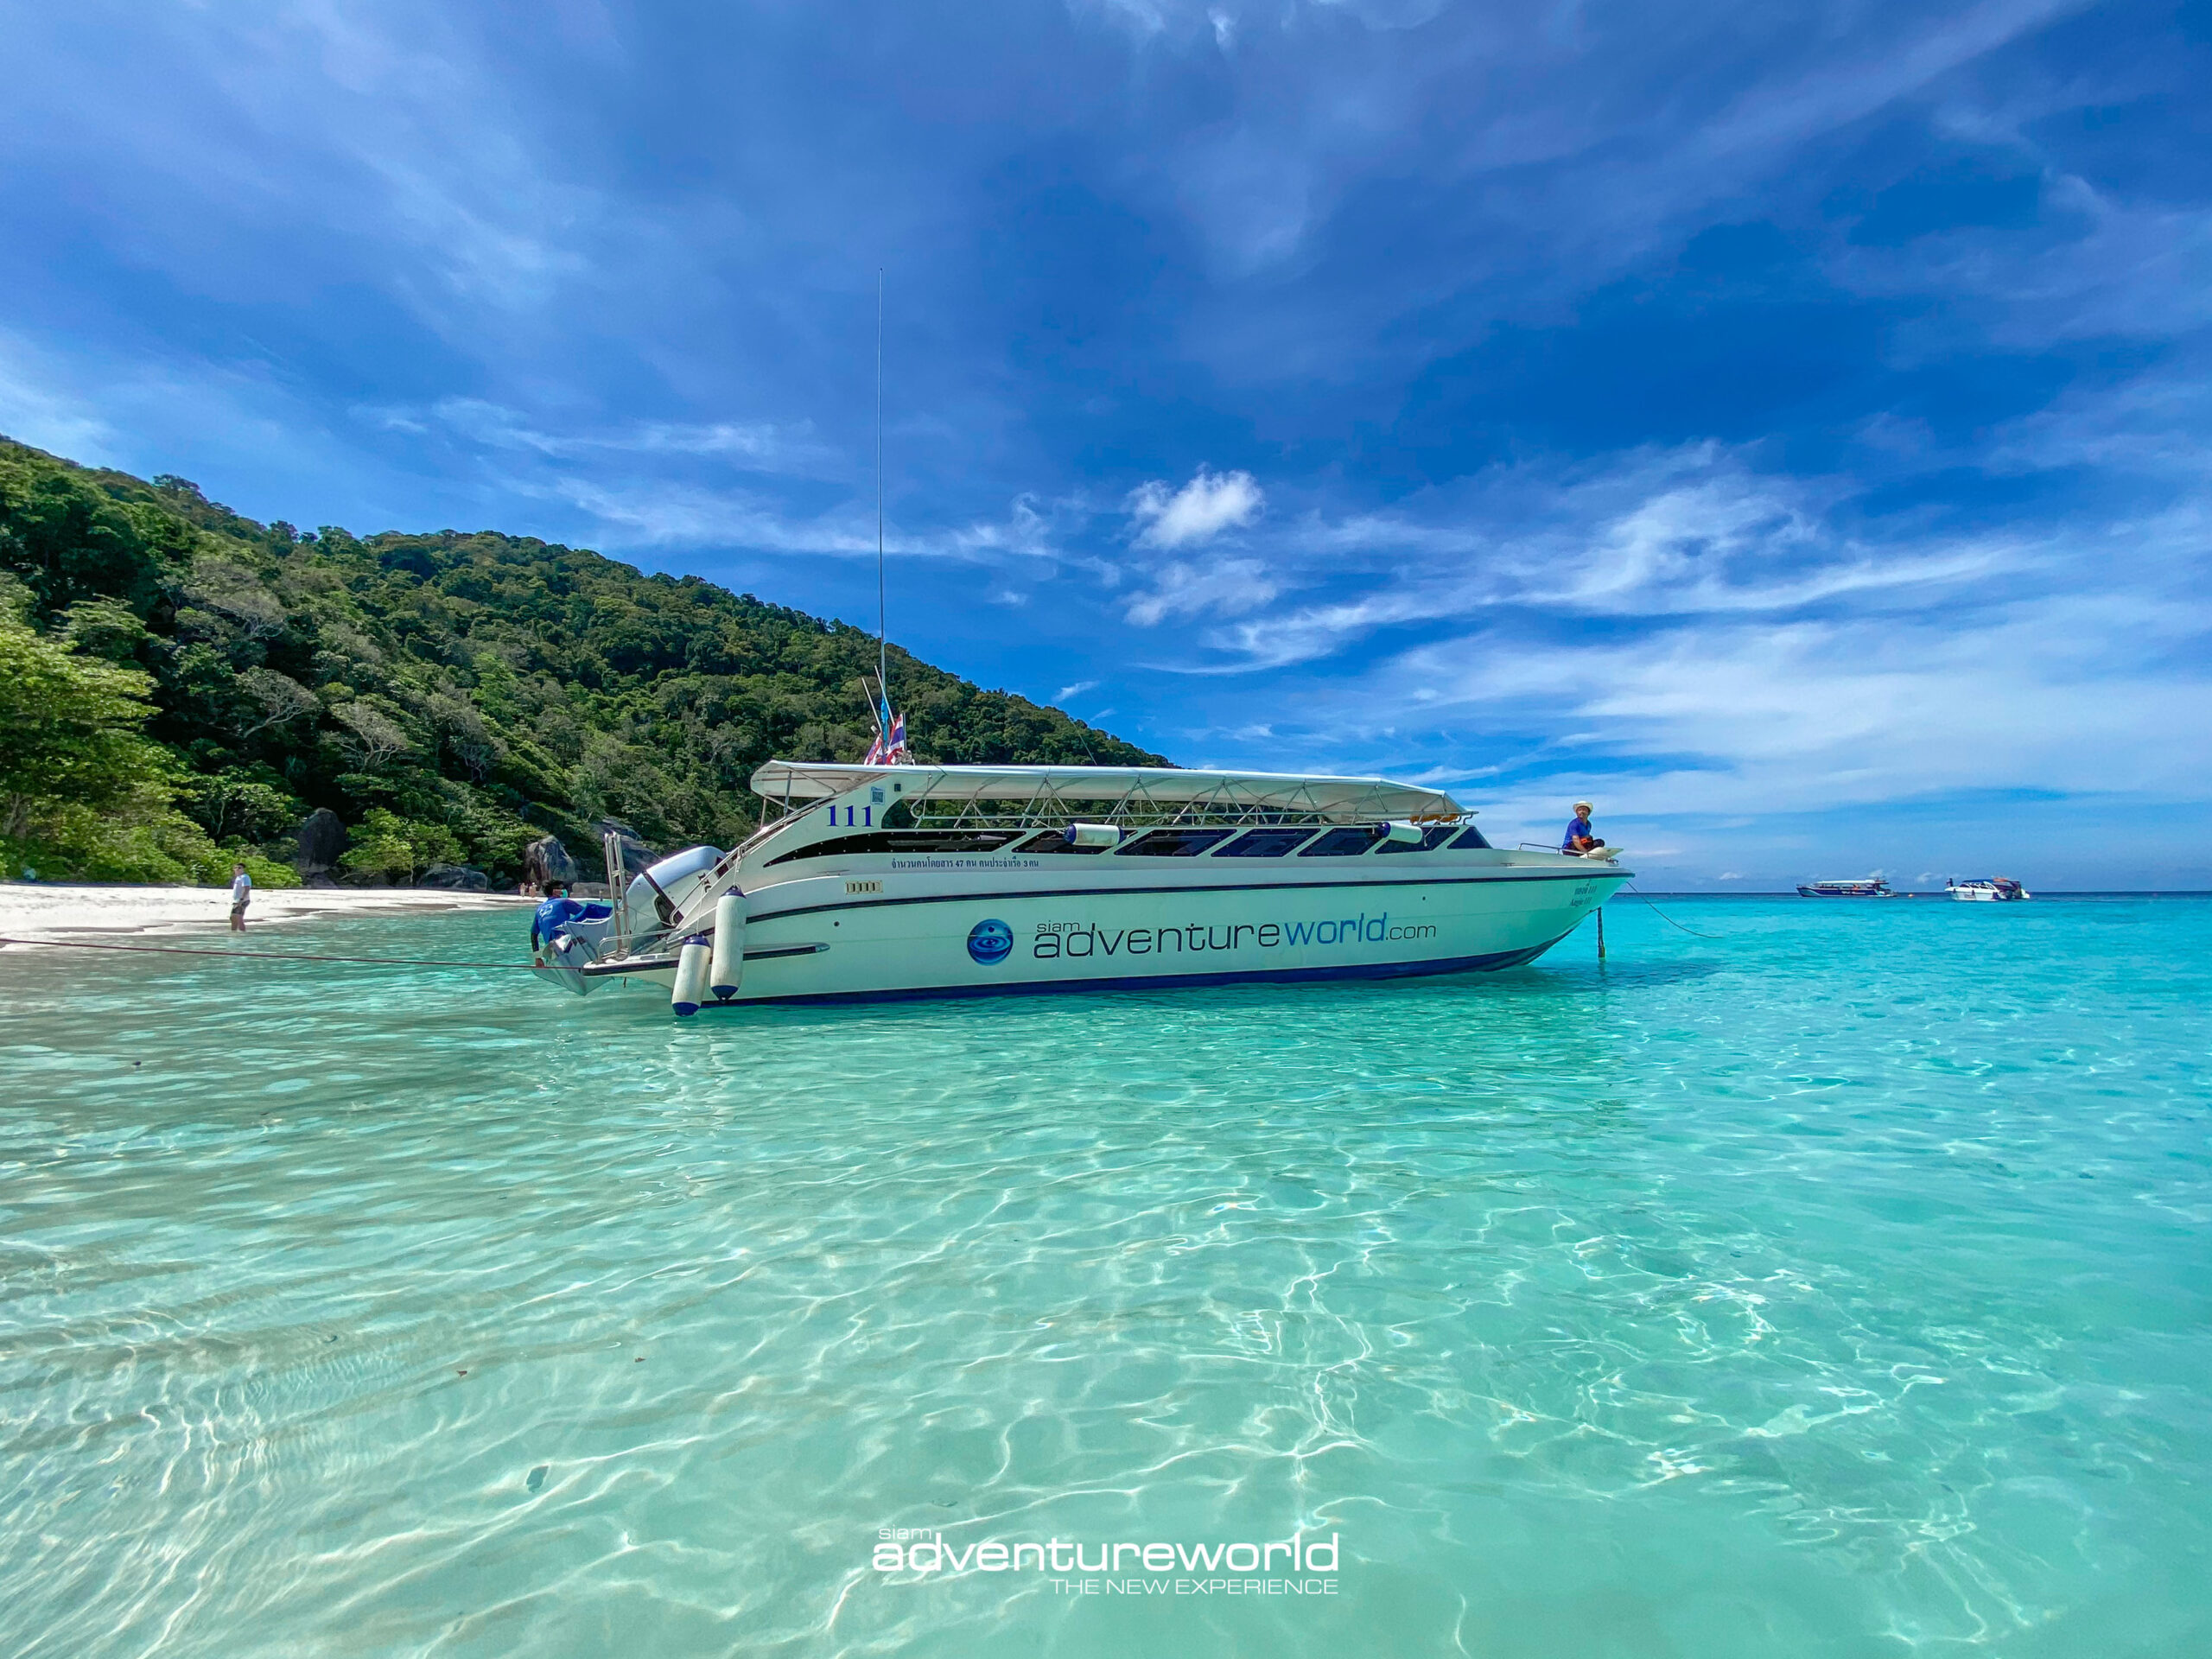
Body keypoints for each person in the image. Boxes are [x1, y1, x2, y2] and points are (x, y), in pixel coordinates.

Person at [531, 880, 612, 953]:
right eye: (561, 889)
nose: (563, 891)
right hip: (565, 944)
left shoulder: (539, 910)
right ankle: (612, 914)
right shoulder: (563, 902)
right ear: (555, 891)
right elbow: (587, 913)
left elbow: (533, 935)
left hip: (551, 949)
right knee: (590, 909)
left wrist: (537, 957)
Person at [229, 862, 253, 931]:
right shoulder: (238, 878)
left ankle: (242, 934)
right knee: (233, 917)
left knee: (238, 917)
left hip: (242, 900)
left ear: (243, 869)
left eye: (239, 868)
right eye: (236, 868)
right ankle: (234, 932)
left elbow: (247, 888)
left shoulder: (245, 877)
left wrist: (241, 899)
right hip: (237, 900)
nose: (237, 869)